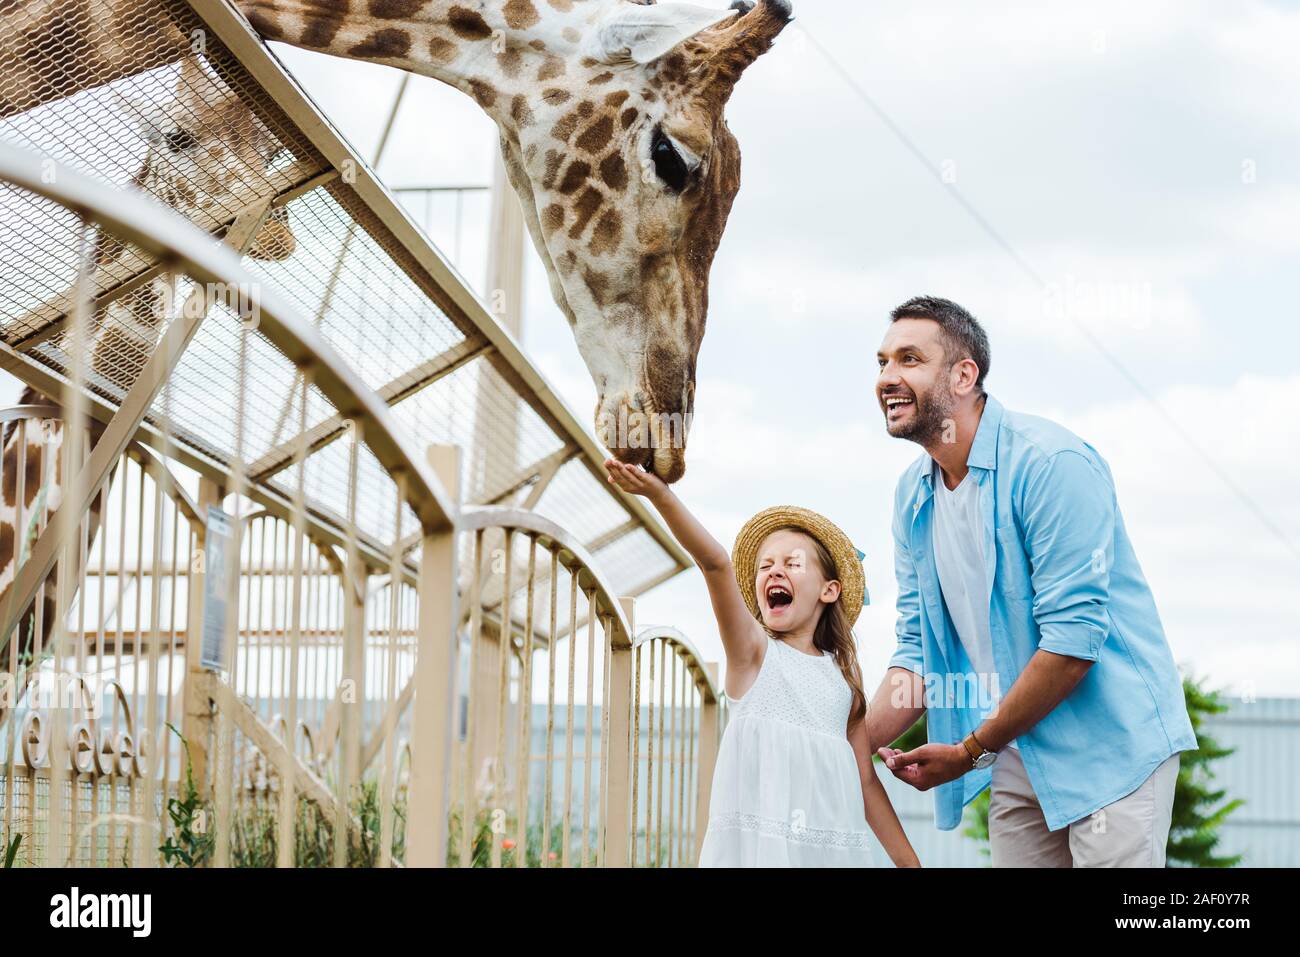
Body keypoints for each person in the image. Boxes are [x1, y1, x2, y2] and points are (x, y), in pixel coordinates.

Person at [868, 295, 1197, 867]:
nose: (887, 378)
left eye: (909, 359)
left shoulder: (1052, 464)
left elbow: (1072, 645)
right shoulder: (912, 496)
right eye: (882, 362)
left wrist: (971, 751)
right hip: (1016, 747)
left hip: (1110, 744)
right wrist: (849, 741)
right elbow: (917, 648)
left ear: (964, 375)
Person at [605, 458, 920, 867]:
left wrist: (911, 864)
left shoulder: (844, 676)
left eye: (792, 564)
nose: (774, 572)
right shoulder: (753, 655)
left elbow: (864, 779)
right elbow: (715, 562)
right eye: (765, 566)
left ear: (829, 590)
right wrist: (661, 496)